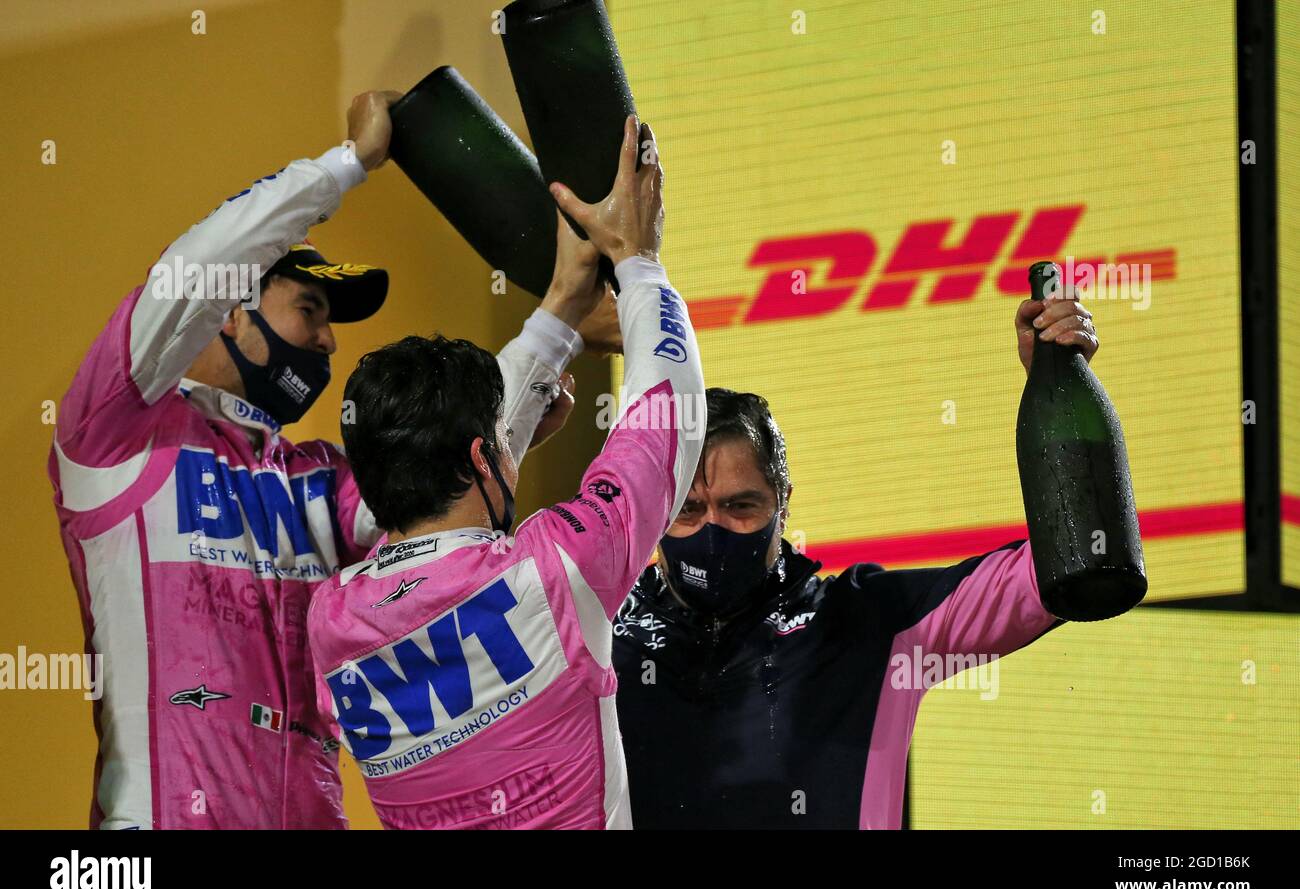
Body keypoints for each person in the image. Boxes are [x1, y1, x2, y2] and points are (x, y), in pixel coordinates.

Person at [49, 91, 594, 829]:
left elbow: (439, 472)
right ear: (232, 309)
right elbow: (197, 265)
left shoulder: (320, 474)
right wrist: (348, 164)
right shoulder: (114, 428)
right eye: (310, 308)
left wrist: (560, 312)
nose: (330, 343)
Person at [308, 115, 704, 829]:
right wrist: (639, 260)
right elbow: (667, 430)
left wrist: (562, 306)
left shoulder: (333, 619)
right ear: (481, 457)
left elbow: (433, 514)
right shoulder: (557, 566)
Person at [612, 294, 1123, 829]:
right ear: (653, 509)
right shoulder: (593, 638)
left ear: (783, 503)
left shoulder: (875, 623)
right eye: (688, 510)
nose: (713, 529)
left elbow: (1078, 558)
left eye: (740, 506)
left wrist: (1057, 382)